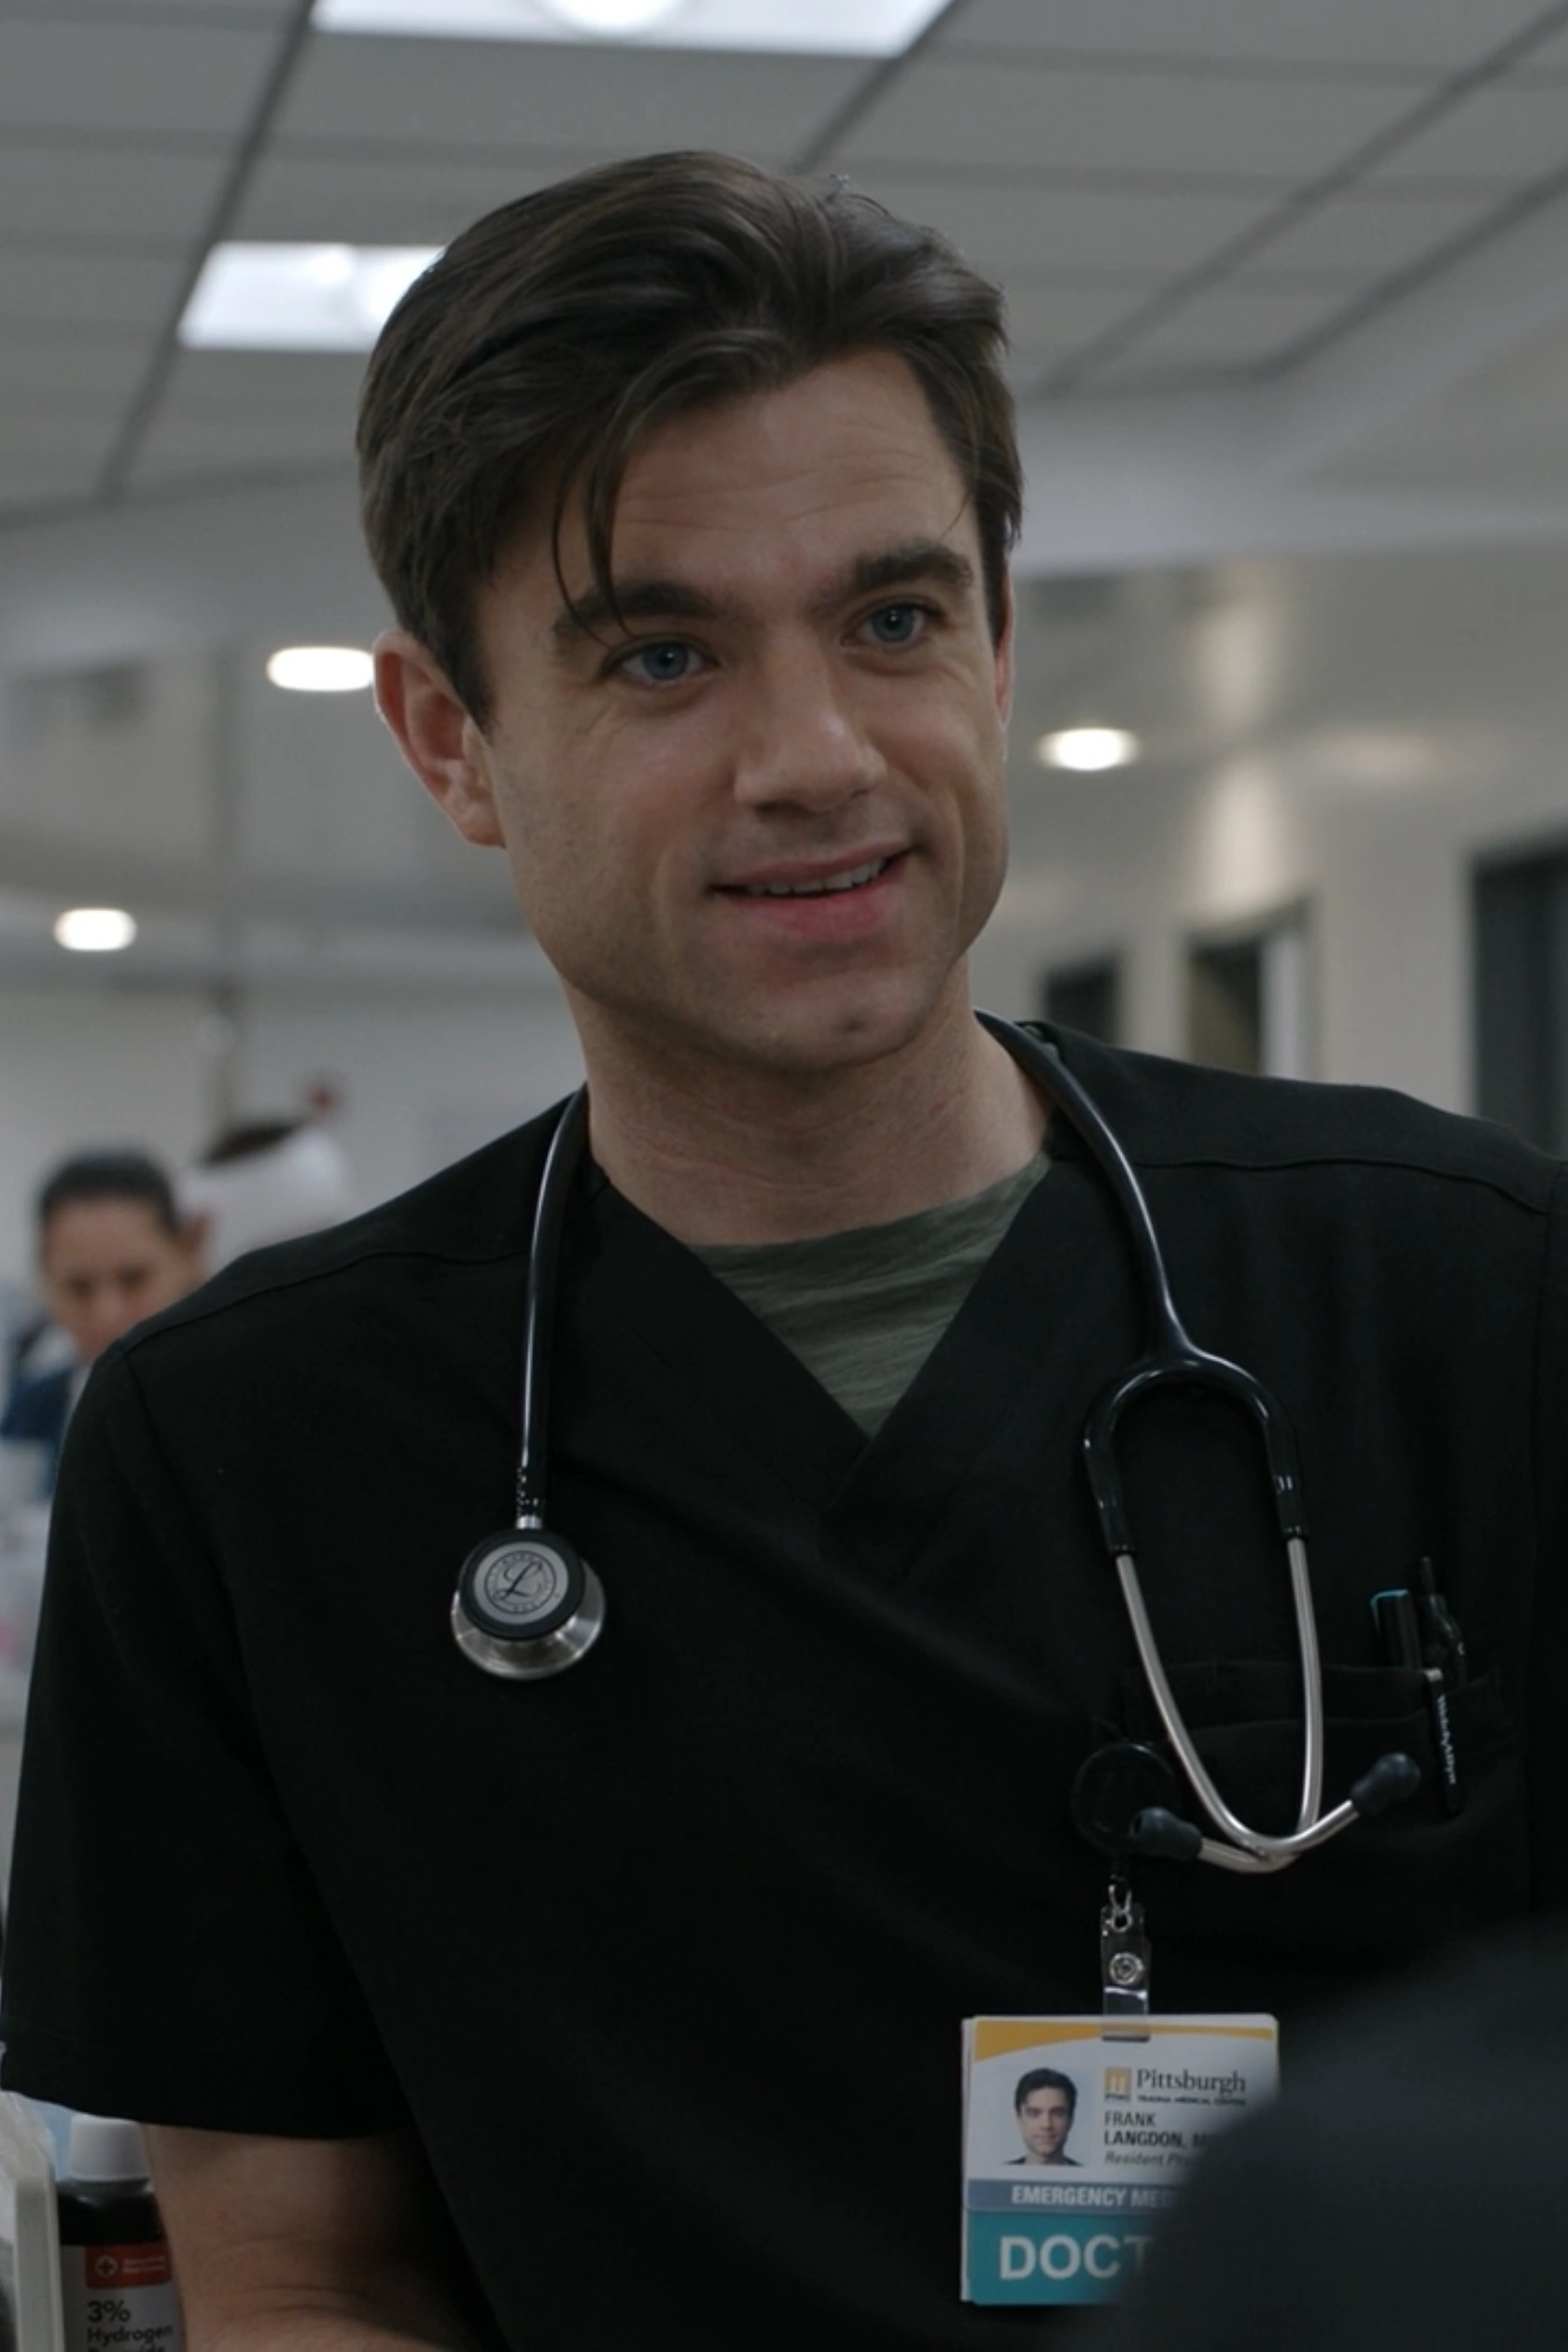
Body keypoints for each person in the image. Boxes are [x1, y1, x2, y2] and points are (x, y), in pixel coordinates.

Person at [1, 150, 1564, 2352]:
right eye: (663, 654)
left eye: (893, 621)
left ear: (999, 647)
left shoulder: (1465, 1296)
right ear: (453, 739)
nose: (814, 758)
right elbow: (295, 2279)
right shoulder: (243, 1453)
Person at [0, 1150, 202, 1491]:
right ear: (45, 1278)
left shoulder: (238, 1400)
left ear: (186, 1255)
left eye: (133, 1279)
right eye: (79, 1287)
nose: (108, 1313)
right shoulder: (31, 1411)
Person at [1010, 2070, 1079, 2166]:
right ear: (1019, 2118)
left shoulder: (1090, 2175)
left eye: (1057, 2113)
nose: (1046, 2125)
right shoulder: (997, 2173)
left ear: (1071, 2118)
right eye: (1034, 2113)